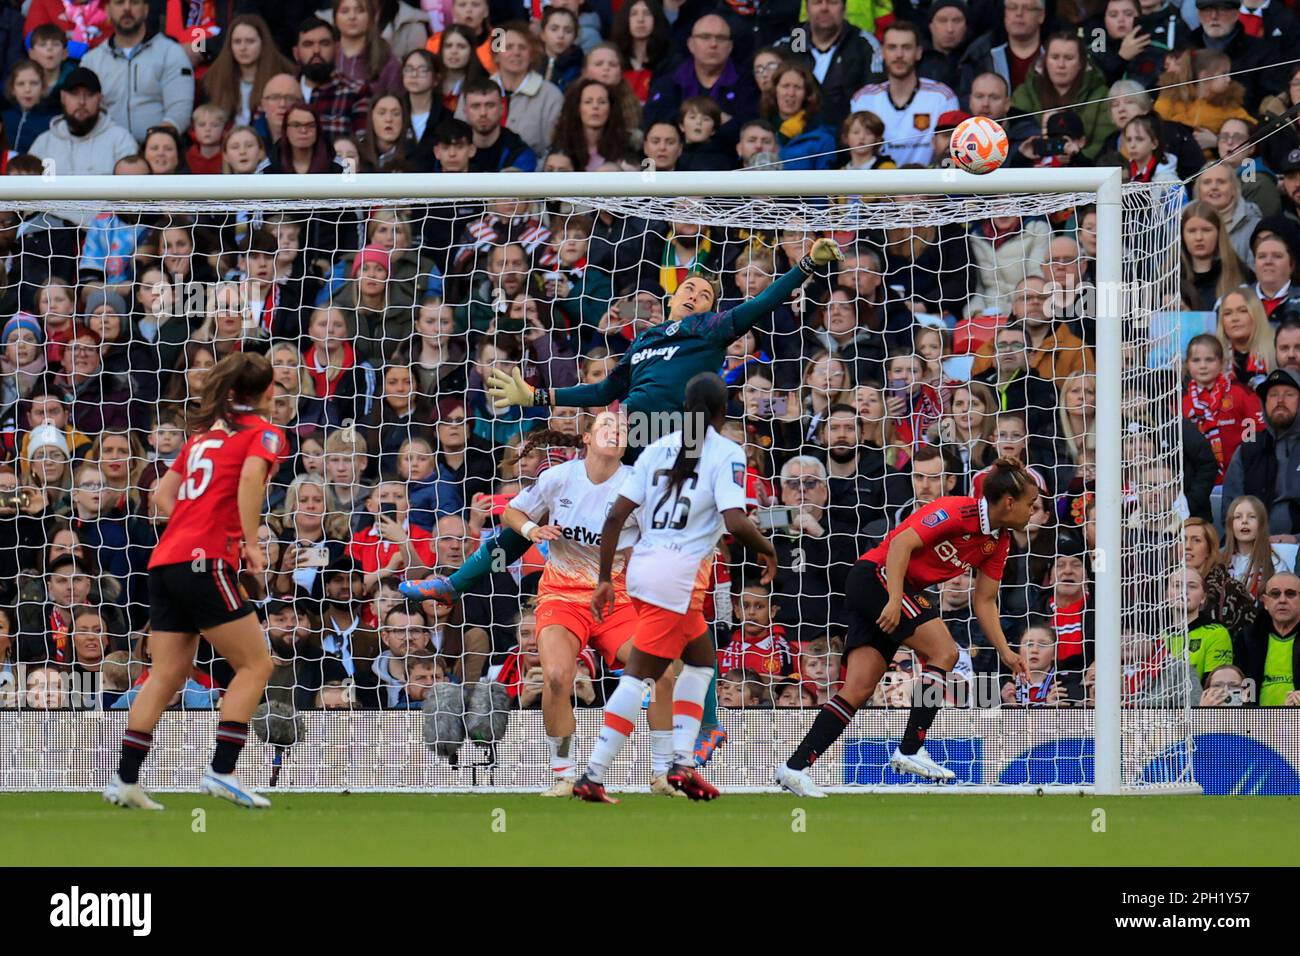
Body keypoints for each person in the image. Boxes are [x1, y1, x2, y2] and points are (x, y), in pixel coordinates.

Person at [403, 237, 846, 765]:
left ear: (710, 307)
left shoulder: (711, 330)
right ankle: (454, 584)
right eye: (689, 288)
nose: (694, 294)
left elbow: (762, 302)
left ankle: (701, 725)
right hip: (620, 457)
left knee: (682, 602)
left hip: (661, 467)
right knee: (535, 513)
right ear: (673, 296)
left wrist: (804, 268)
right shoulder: (644, 342)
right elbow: (601, 391)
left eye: (704, 292)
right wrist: (538, 397)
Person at [775, 458, 1036, 797]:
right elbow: (900, 544)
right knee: (945, 652)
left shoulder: (999, 543)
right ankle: (911, 749)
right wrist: (895, 599)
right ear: (1009, 502)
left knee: (858, 688)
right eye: (1031, 504)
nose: (1033, 512)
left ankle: (794, 768)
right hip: (876, 577)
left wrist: (1006, 651)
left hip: (892, 589)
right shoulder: (956, 510)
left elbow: (984, 601)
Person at [573, 373, 779, 802]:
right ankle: (592, 775)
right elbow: (736, 521)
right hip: (679, 576)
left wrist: (607, 578)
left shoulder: (656, 449)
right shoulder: (726, 451)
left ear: (685, 406)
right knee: (639, 676)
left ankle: (682, 765)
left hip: (647, 568)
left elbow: (614, 518)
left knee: (702, 662)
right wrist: (769, 549)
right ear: (724, 412)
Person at [104, 352, 283, 810]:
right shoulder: (263, 434)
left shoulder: (201, 439)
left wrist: (190, 522)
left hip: (166, 561)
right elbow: (247, 483)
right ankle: (223, 770)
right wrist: (249, 542)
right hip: (206, 562)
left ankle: (125, 779)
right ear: (265, 392)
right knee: (256, 664)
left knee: (167, 672)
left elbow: (161, 494)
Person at [502, 411, 681, 797]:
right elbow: (511, 511)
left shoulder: (639, 486)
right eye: (607, 427)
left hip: (614, 600)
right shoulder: (558, 478)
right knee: (555, 677)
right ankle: (563, 774)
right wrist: (533, 530)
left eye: (622, 431)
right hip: (561, 597)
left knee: (663, 672)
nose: (615, 433)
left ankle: (662, 774)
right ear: (586, 438)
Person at [80, 0, 194, 143]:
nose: (127, 8)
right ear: (108, 10)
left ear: (146, 9)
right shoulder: (91, 61)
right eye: (119, 3)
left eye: (134, 2)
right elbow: (88, 114)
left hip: (158, 153)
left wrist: (153, 146)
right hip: (107, 151)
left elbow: (179, 112)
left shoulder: (171, 53)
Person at [850, 21, 958, 167]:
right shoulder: (864, 99)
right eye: (892, 47)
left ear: (918, 52)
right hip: (877, 186)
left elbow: (951, 151)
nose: (899, 55)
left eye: (906, 47)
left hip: (930, 186)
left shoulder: (942, 97)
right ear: (882, 52)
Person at [1222, 368, 1300, 537]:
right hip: (1252, 548)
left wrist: (1296, 539)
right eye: (1272, 395)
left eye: (1289, 394)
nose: (1280, 400)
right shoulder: (1249, 448)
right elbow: (1230, 509)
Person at [30, 67, 138, 177]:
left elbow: (133, 188)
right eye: (75, 94)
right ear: (63, 97)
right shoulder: (44, 143)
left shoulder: (120, 140)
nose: (82, 102)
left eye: (89, 94)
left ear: (100, 99)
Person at [1241, 571, 1300, 706]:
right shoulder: (1248, 638)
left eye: (1290, 594)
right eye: (1275, 594)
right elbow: (1241, 686)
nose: (1282, 600)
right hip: (1256, 722)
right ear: (1266, 602)